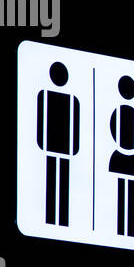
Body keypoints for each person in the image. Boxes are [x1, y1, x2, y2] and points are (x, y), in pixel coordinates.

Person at [36, 62, 79, 226]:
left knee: (60, 182)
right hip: (55, 146)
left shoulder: (69, 99)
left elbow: (74, 125)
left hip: (59, 147)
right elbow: (43, 122)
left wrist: (73, 148)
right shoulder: (46, 95)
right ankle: (53, 218)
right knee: (54, 181)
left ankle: (59, 219)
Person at [108, 75, 134, 237]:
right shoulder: (127, 112)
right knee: (125, 193)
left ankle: (126, 230)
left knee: (127, 193)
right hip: (127, 157)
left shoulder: (124, 112)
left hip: (126, 157)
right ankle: (124, 230)